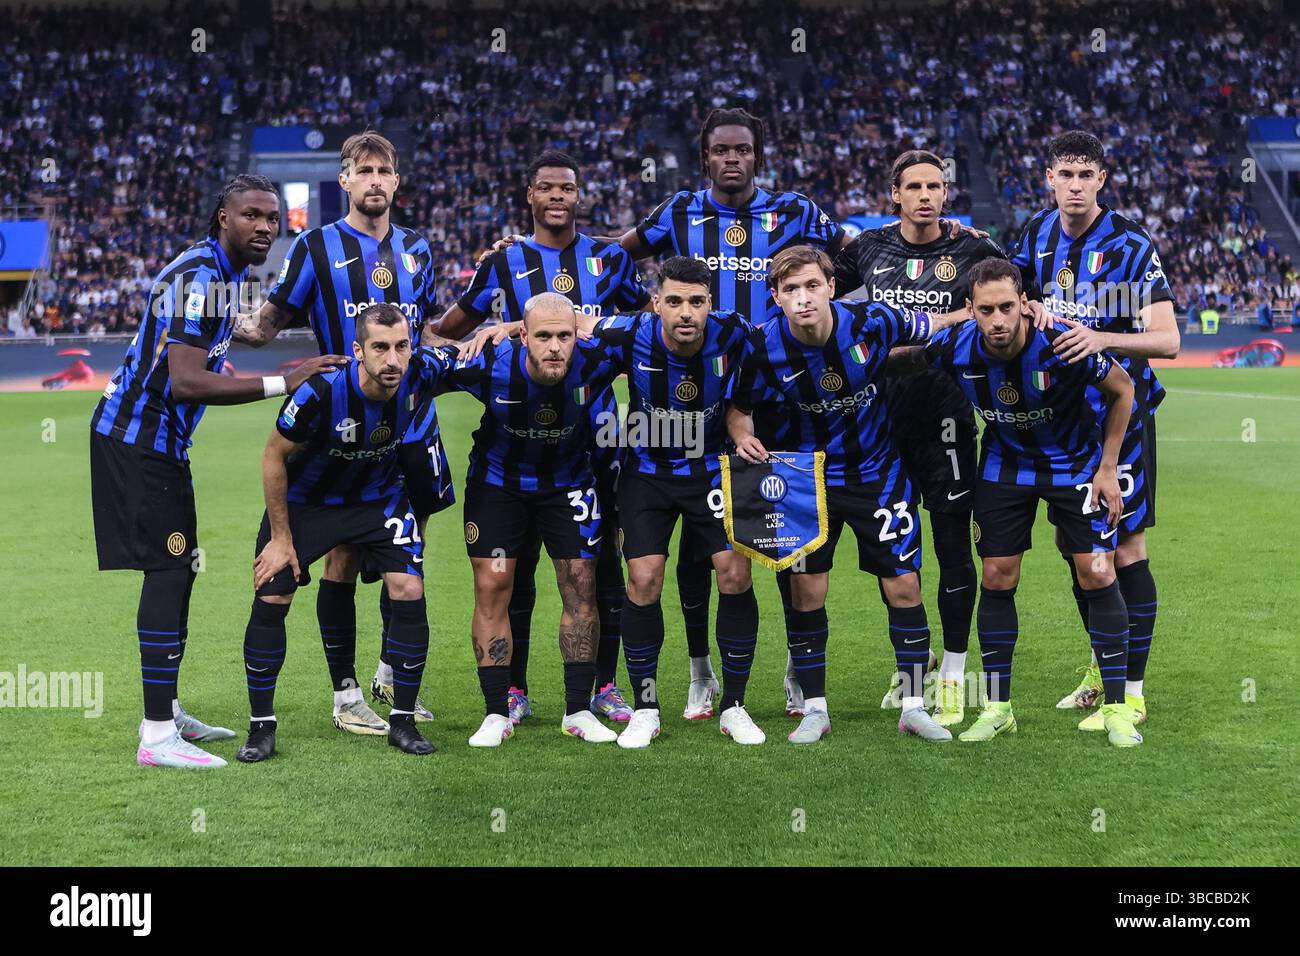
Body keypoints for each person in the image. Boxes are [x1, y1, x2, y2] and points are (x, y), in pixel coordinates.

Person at [89, 174, 347, 769]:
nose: (265, 227)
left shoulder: (223, 276)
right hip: (138, 441)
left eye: (272, 219)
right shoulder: (199, 277)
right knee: (168, 570)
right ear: (223, 217)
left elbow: (231, 343)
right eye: (251, 215)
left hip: (160, 444)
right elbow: (186, 380)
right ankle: (157, 736)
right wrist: (286, 380)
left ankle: (166, 710)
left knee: (180, 568)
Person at [464, 256, 763, 746]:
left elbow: (744, 398)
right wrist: (509, 327)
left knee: (735, 574)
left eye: (696, 301)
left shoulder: (738, 333)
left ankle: (733, 706)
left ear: (711, 303)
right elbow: (568, 323)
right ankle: (646, 708)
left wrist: (743, 433)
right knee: (642, 579)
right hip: (645, 472)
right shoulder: (629, 333)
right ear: (656, 304)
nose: (686, 312)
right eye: (674, 301)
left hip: (710, 468)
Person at [236, 131, 452, 730]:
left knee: (407, 553)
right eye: (364, 170)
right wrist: (206, 312)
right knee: (344, 558)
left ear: (396, 181)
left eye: (385, 170)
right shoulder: (315, 247)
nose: (375, 180)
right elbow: (266, 325)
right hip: (344, 428)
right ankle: (346, 695)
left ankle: (390, 674)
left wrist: (481, 334)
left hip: (413, 427)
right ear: (346, 181)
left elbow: (426, 333)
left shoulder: (416, 248)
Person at [426, 150, 647, 724]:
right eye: (546, 187)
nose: (557, 196)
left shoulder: (609, 259)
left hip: (596, 439)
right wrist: (497, 333)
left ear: (579, 195)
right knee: (513, 566)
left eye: (566, 188)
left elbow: (651, 329)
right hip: (517, 440)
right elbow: (445, 332)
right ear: (530, 194)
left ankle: (603, 686)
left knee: (601, 565)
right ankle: (514, 690)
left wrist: (592, 331)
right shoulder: (503, 261)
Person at [728, 245, 970, 745]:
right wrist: (742, 435)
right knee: (806, 591)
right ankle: (815, 709)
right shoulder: (760, 346)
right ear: (775, 296)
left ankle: (913, 706)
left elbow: (930, 324)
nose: (803, 298)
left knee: (904, 585)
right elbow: (739, 407)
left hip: (876, 474)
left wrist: (968, 313)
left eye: (812, 286)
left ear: (831, 287)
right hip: (803, 482)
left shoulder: (873, 320)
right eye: (791, 289)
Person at [910, 258, 1143, 746]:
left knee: (1098, 571)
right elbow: (898, 359)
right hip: (1004, 467)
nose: (998, 320)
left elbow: (1124, 390)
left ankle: (1119, 709)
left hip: (1074, 465)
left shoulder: (1061, 342)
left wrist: (1108, 468)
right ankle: (998, 709)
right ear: (970, 308)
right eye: (986, 310)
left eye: (1007, 308)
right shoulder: (956, 345)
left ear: (1024, 304)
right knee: (997, 576)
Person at [831, 149, 1012, 725]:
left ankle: (955, 674)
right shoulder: (867, 249)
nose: (926, 195)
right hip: (880, 423)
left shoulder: (974, 250)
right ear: (896, 194)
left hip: (948, 421)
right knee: (891, 554)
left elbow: (1015, 300)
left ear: (946, 193)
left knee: (954, 547)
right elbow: (823, 300)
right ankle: (913, 666)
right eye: (914, 187)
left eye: (935, 186)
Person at [1012, 130, 1178, 730]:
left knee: (1125, 547)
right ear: (1049, 178)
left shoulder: (1130, 245)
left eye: (1087, 175)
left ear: (1102, 179)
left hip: (1121, 417)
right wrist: (1030, 307)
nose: (1076, 186)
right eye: (1066, 174)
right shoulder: (1035, 234)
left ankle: (1131, 692)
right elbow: (1010, 295)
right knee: (1077, 548)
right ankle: (1101, 668)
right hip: (1063, 423)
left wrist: (1099, 336)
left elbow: (1169, 340)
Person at [237, 303, 438, 761]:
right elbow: (273, 456)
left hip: (377, 499)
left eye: (402, 347)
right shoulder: (321, 391)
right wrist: (281, 539)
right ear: (358, 350)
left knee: (409, 587)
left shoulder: (422, 373)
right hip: (308, 504)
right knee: (272, 595)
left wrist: (507, 326)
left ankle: (403, 721)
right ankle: (261, 727)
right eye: (380, 348)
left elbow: (472, 353)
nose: (393, 359)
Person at [423, 293, 625, 747]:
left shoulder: (598, 359)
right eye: (543, 336)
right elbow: (420, 363)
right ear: (523, 336)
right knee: (493, 587)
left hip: (568, 484)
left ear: (577, 335)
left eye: (564, 336)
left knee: (581, 585)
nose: (555, 347)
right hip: (498, 487)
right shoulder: (488, 362)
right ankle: (497, 712)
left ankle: (577, 710)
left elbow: (659, 335)